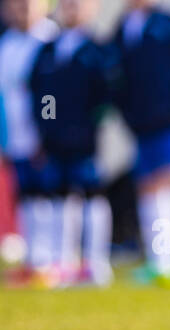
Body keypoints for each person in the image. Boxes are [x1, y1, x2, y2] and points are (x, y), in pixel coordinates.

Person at [109, 0, 170, 286]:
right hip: (141, 125)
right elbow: (117, 77)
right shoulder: (122, 27)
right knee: (149, 188)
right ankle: (161, 263)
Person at [28, 0, 112, 286]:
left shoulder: (97, 50)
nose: (71, 8)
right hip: (55, 140)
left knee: (91, 195)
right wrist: (48, 124)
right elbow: (44, 93)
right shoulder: (49, 50)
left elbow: (104, 93)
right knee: (60, 197)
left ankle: (94, 262)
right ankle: (62, 260)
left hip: (85, 138)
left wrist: (88, 122)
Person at [0, 0, 57, 286]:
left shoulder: (49, 41)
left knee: (46, 196)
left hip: (41, 136)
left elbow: (51, 95)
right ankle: (32, 259)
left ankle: (49, 260)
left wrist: (46, 132)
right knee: (24, 197)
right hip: (14, 135)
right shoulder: (7, 44)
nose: (20, 10)